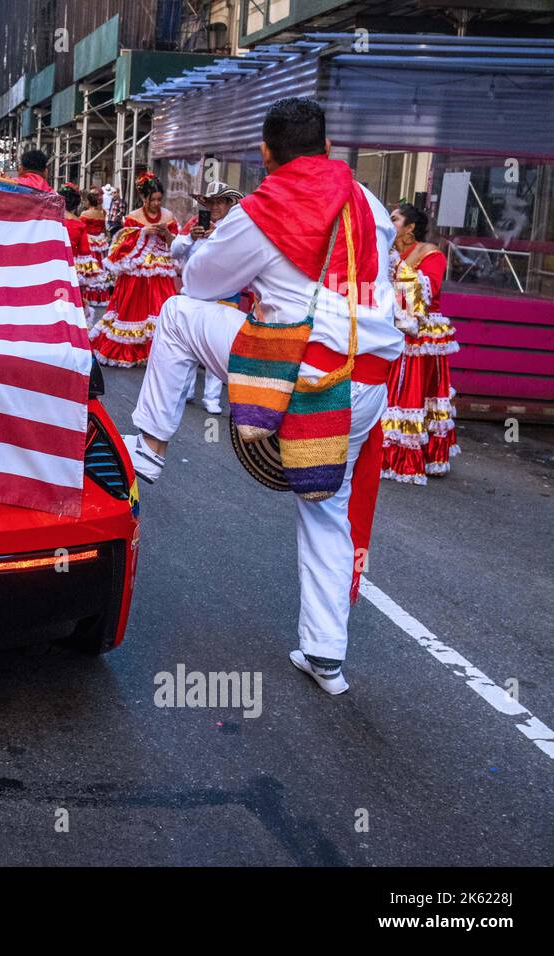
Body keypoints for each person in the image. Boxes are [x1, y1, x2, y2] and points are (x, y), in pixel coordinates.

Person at [120, 97, 404, 695]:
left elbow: (200, 284)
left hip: (297, 376)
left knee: (175, 314)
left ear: (266, 156)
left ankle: (147, 450)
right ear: (328, 149)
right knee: (327, 510)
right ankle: (327, 657)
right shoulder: (373, 205)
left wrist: (258, 283)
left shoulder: (264, 208)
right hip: (368, 387)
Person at [381, 203, 459, 483]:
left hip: (421, 336)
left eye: (395, 219)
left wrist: (396, 266)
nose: (390, 223)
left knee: (413, 394)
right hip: (394, 332)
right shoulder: (391, 253)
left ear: (410, 227)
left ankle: (415, 454)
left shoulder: (430, 253)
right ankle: (386, 449)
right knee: (391, 393)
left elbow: (429, 288)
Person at [171, 180, 247, 415]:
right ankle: (187, 390)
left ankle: (212, 397)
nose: (214, 207)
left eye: (218, 202)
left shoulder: (235, 229)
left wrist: (218, 237)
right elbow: (174, 251)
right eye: (210, 202)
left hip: (225, 296)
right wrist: (190, 239)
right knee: (190, 344)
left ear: (228, 203)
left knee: (216, 346)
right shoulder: (195, 225)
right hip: (197, 297)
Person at [88, 171, 179, 367]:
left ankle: (160, 351)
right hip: (136, 274)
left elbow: (176, 245)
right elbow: (121, 244)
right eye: (152, 199)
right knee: (133, 308)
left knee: (161, 309)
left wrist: (166, 234)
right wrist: (143, 232)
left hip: (160, 272)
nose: (156, 203)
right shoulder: (133, 217)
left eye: (159, 199)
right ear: (143, 197)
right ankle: (134, 350)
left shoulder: (168, 216)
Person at [57, 183, 102, 326]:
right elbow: (84, 252)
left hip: (52, 267)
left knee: (54, 300)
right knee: (69, 301)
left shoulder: (50, 220)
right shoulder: (79, 224)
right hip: (71, 269)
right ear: (76, 203)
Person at [76, 188, 113, 308]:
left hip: (89, 241)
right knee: (101, 267)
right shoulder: (103, 213)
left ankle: (88, 295)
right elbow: (103, 228)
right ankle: (100, 294)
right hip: (100, 241)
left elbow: (81, 229)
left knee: (90, 268)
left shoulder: (84, 214)